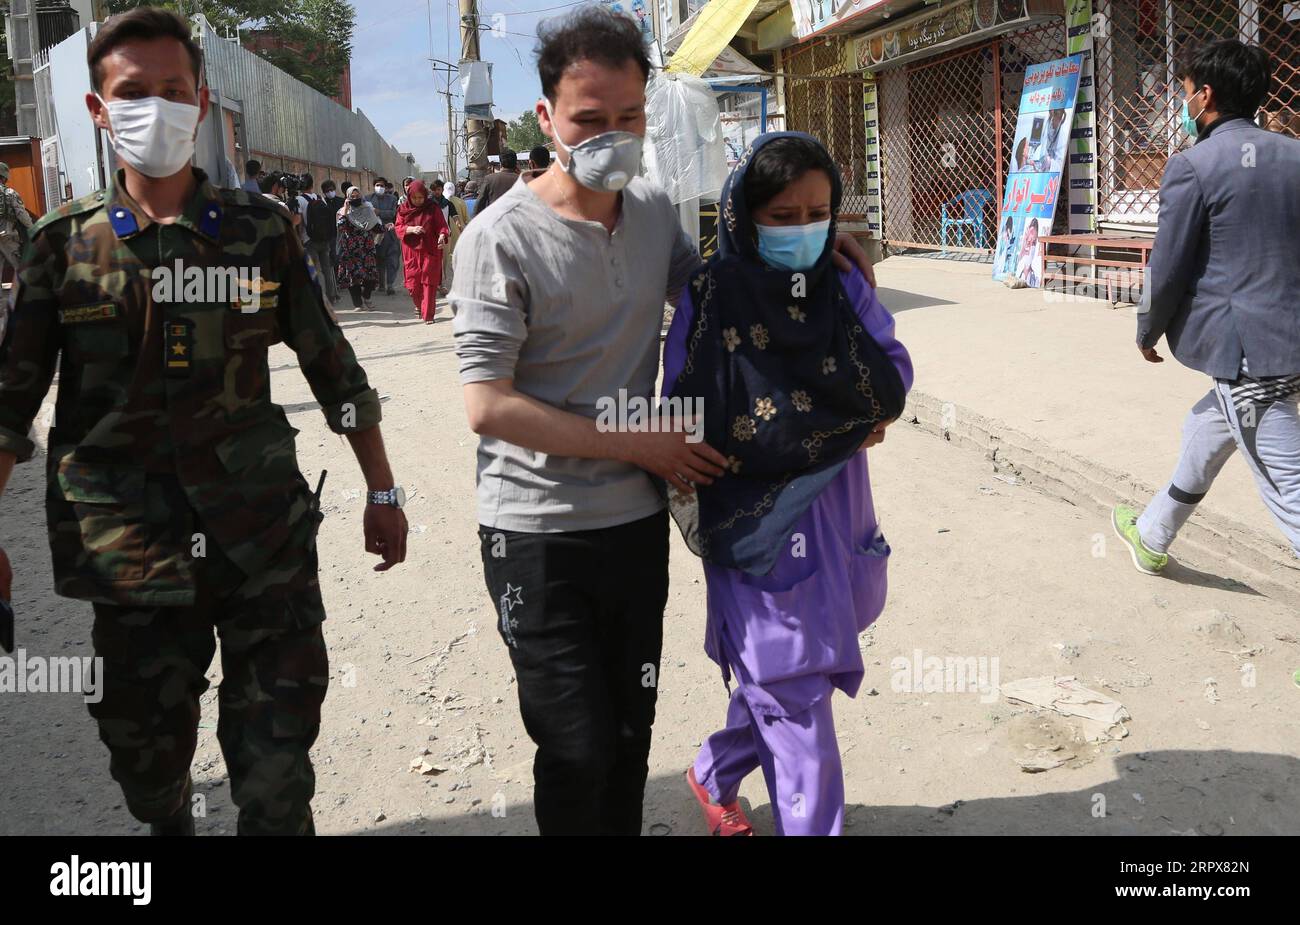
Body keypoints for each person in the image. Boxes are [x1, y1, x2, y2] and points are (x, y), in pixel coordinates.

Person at [450, 5, 875, 836]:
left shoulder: (648, 211)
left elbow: (725, 290)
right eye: (590, 119)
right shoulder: (498, 239)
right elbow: (486, 403)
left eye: (629, 117)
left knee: (627, 732)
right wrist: (637, 441)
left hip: (635, 525)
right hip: (535, 534)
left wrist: (822, 244)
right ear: (547, 118)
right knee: (574, 748)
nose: (613, 134)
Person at [0, 6, 408, 836]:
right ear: (97, 109)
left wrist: (383, 488)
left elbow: (335, 369)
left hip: (263, 539)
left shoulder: (263, 232)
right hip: (129, 552)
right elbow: (10, 409)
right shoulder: (61, 247)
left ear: (203, 100)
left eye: (173, 91)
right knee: (144, 760)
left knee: (276, 773)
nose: (156, 109)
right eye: (132, 92)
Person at [665, 133, 911, 837]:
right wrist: (837, 415)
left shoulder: (844, 286)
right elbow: (686, 409)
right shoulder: (710, 298)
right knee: (794, 691)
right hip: (756, 528)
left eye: (818, 211)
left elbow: (891, 370)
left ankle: (713, 771)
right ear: (745, 214)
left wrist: (863, 408)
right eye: (783, 213)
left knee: (790, 678)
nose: (803, 228)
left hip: (836, 514)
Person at [1114, 39, 1300, 572]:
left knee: (1289, 492)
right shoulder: (1293, 155)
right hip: (1281, 346)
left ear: (1206, 96)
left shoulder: (1193, 165)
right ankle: (1152, 534)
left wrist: (1147, 327)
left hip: (1249, 358)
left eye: (1186, 92)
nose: (1184, 101)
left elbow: (1165, 266)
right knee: (1206, 429)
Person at [396, 179, 448, 323]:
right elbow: (398, 227)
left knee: (429, 282)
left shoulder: (433, 208)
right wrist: (411, 229)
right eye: (414, 198)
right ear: (409, 196)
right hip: (411, 251)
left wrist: (442, 235)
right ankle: (419, 306)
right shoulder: (403, 209)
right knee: (413, 285)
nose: (418, 201)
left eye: (421, 197)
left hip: (430, 249)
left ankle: (428, 315)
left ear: (425, 196)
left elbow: (442, 225)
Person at [0, 161, 33, 342]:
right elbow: (21, 214)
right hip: (8, 237)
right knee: (21, 268)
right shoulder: (10, 193)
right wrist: (33, 228)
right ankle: (27, 302)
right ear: (4, 176)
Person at [336, 186, 383, 312]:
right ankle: (358, 304)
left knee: (370, 277)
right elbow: (341, 227)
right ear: (347, 198)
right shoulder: (342, 212)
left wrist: (386, 227)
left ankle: (366, 296)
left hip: (367, 248)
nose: (355, 199)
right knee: (353, 278)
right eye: (352, 197)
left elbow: (376, 227)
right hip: (350, 250)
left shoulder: (367, 209)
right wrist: (346, 210)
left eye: (358, 196)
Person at [300, 173, 340, 305]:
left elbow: (299, 222)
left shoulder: (299, 200)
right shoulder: (320, 199)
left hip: (308, 240)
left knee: (313, 270)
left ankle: (317, 299)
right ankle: (332, 296)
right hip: (324, 239)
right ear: (312, 185)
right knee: (327, 269)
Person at [368, 176, 401, 295]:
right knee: (379, 260)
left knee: (392, 259)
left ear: (385, 187)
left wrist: (379, 212)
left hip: (390, 234)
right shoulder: (368, 199)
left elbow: (393, 213)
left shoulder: (392, 199)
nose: (380, 188)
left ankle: (390, 284)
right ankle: (381, 283)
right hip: (375, 234)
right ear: (374, 186)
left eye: (382, 185)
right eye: (377, 185)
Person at [473, 148, 520, 217]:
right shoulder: (522, 180)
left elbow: (479, 205)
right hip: (516, 222)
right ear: (516, 164)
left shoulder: (489, 179)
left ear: (500, 163)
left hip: (494, 221)